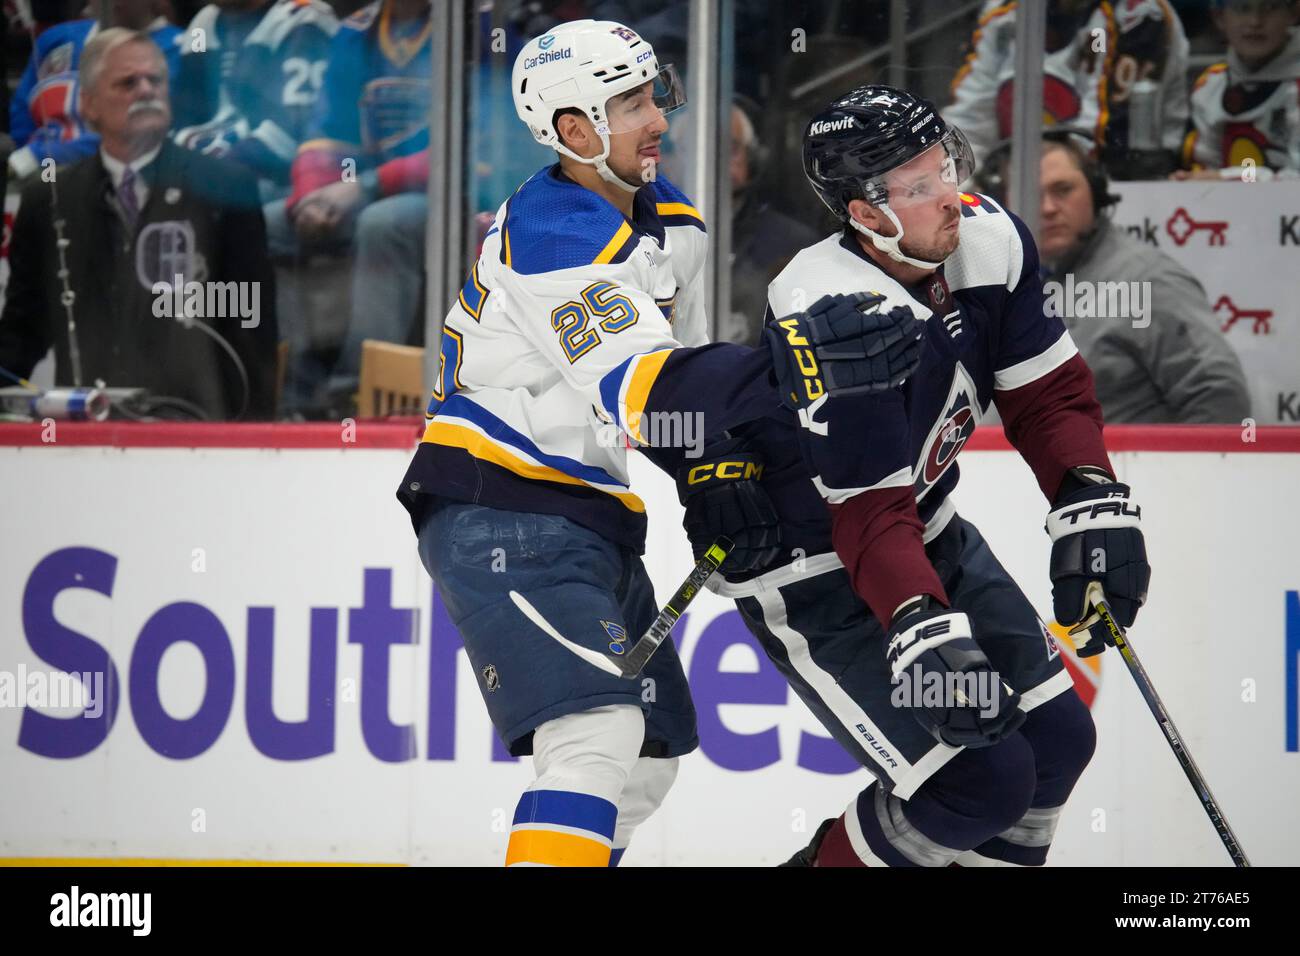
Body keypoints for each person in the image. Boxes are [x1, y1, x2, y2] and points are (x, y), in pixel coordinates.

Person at [395, 20, 896, 866]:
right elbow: (640, 389)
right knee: (595, 730)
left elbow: (686, 397)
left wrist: (722, 474)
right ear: (574, 131)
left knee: (647, 759)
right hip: (498, 505)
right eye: (629, 103)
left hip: (583, 513)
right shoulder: (553, 237)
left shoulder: (676, 223)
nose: (658, 117)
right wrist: (802, 377)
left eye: (653, 93)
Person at [676, 86, 1152, 866]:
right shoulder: (823, 305)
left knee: (1059, 742)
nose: (950, 198)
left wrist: (1087, 493)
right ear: (866, 214)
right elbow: (866, 510)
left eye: (946, 167)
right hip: (817, 567)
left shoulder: (987, 239)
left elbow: (1047, 396)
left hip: (924, 530)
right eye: (920, 185)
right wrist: (918, 626)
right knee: (977, 783)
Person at [0, 28, 279, 420]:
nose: (145, 90)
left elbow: (253, 330)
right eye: (128, 83)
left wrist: (254, 439)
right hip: (85, 436)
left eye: (155, 80)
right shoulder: (47, 200)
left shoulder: (224, 186)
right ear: (89, 105)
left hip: (196, 432)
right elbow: (21, 333)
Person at [1032, 131, 1250, 422]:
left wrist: (1169, 469)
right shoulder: (1021, 281)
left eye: (1063, 190)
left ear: (1096, 193)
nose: (1047, 208)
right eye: (1033, 195)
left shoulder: (1148, 280)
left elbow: (1221, 399)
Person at [945, 0, 1190, 178]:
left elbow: (1105, 136)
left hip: (1120, 195)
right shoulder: (1003, 13)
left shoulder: (1139, 15)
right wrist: (955, 178)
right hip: (1017, 185)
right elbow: (971, 117)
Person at [172, 0, 339, 202]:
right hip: (209, 163)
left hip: (278, 176)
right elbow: (187, 107)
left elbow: (294, 130)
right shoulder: (202, 27)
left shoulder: (304, 19)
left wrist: (214, 170)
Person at [9, 0, 182, 180]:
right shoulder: (56, 39)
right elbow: (22, 111)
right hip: (35, 173)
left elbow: (140, 133)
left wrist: (38, 156)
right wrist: (25, 158)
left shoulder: (181, 50)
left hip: (121, 176)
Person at [1178, 0, 1300, 178]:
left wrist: (1227, 177)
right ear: (1219, 17)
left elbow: (1295, 179)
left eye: (1270, 7)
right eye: (1242, 8)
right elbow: (1208, 165)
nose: (1255, 21)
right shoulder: (1210, 85)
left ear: (1294, 14)